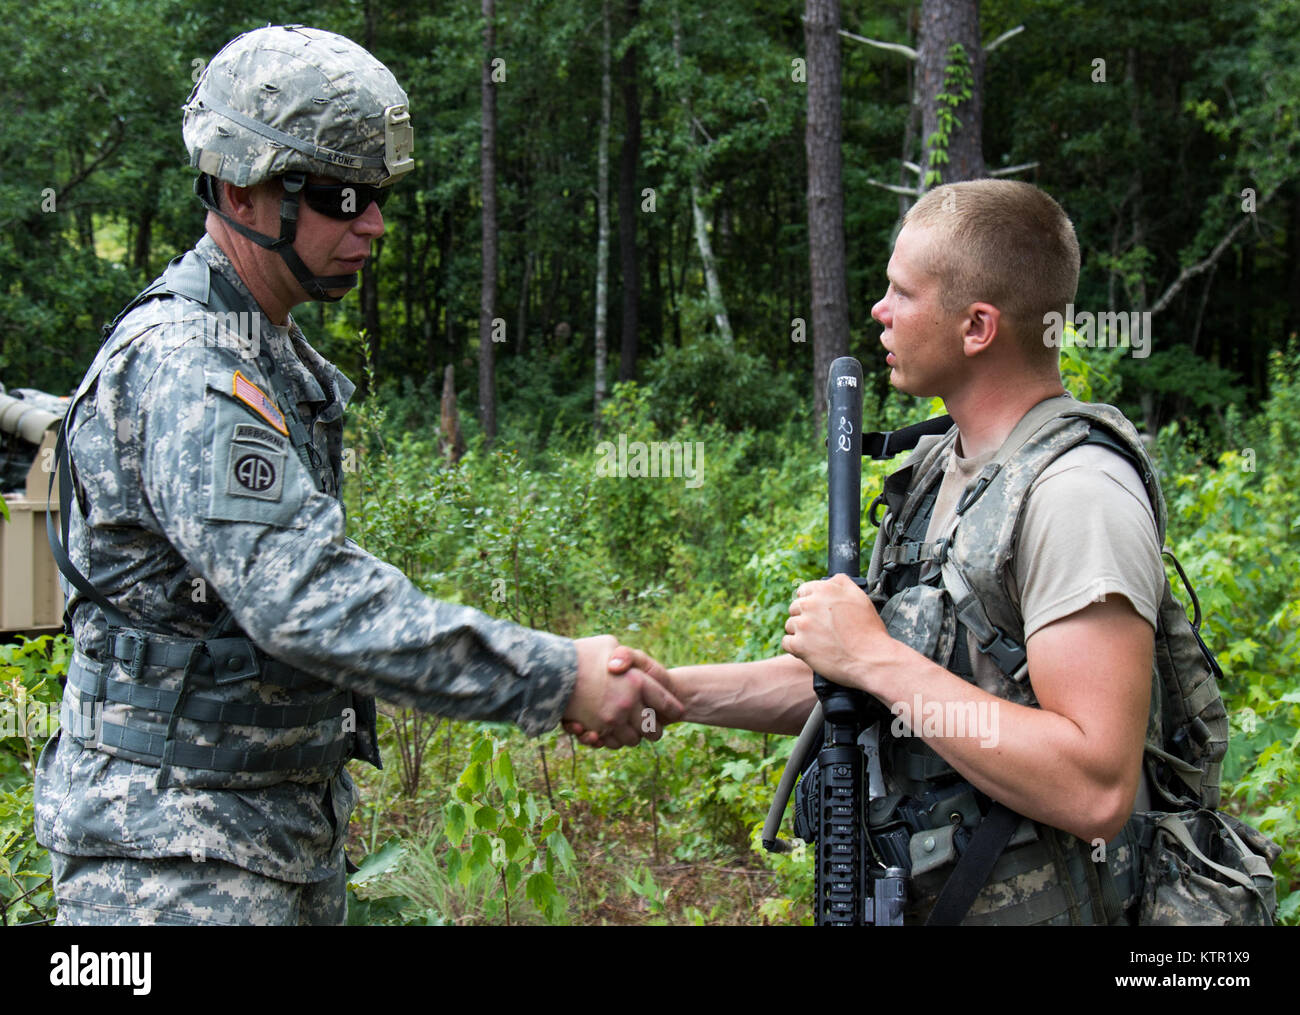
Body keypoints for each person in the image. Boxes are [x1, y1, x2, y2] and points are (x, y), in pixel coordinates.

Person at [34, 24, 680, 927]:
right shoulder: (190, 366)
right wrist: (555, 674)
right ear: (238, 189)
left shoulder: (263, 352)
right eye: (341, 195)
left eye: (376, 194)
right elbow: (308, 599)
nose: (372, 222)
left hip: (261, 837)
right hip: (169, 862)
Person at [589, 179, 1167, 925]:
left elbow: (1095, 789)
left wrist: (873, 658)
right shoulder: (939, 470)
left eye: (901, 292)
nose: (879, 311)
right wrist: (675, 692)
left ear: (978, 327)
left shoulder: (1078, 496)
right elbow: (869, 687)